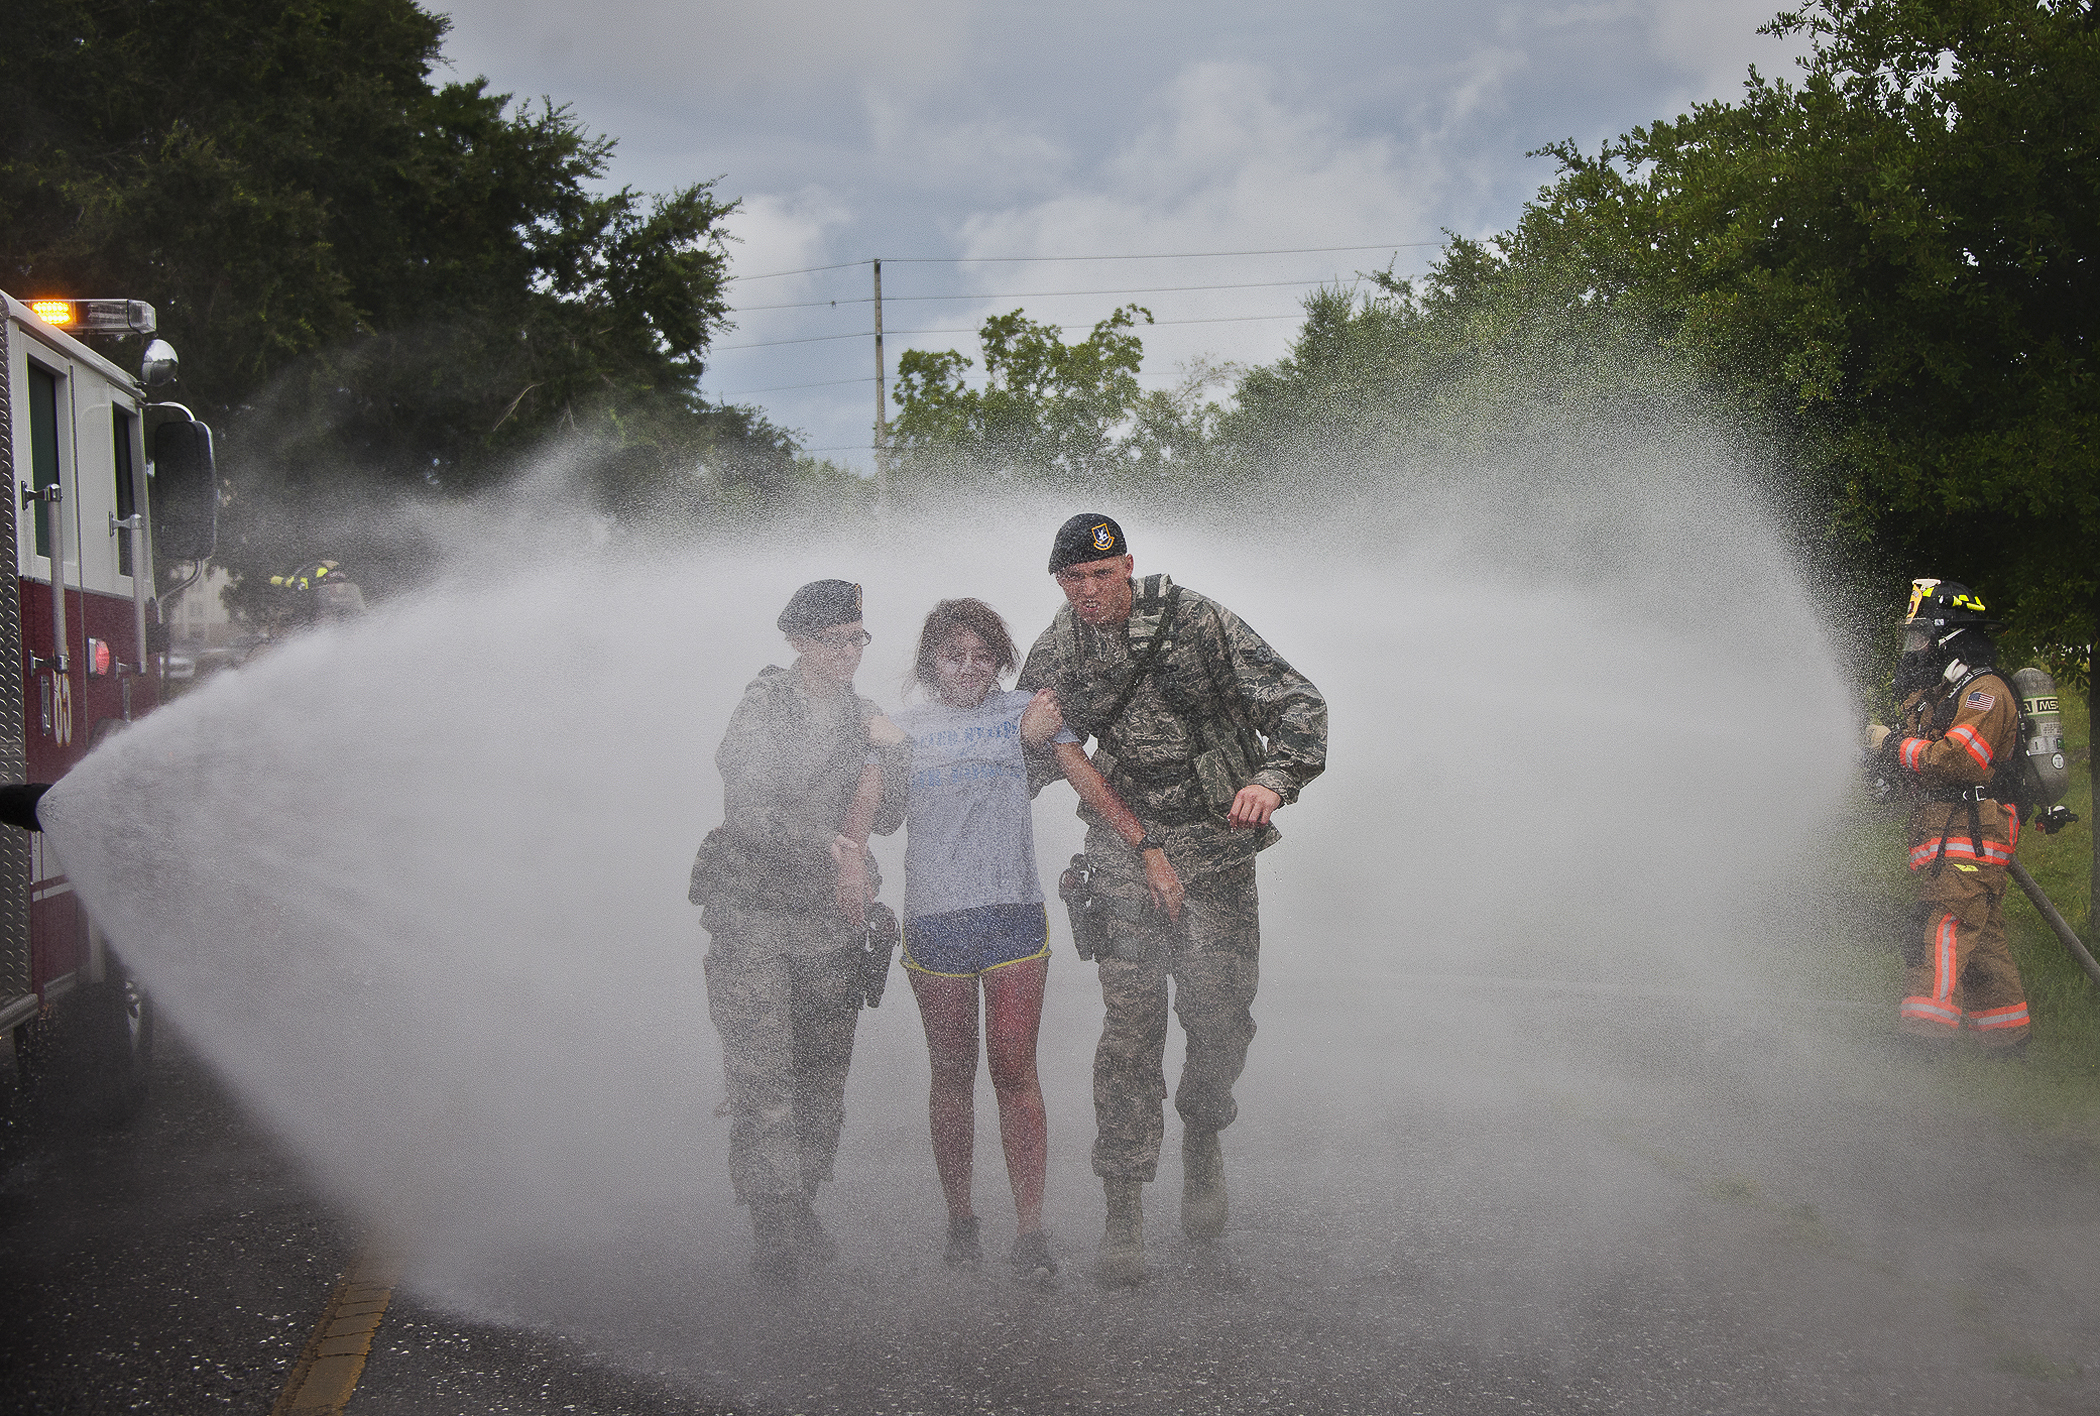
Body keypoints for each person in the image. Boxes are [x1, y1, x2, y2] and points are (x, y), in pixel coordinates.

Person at [1016, 514, 1327, 1285]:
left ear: (1127, 567)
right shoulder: (1058, 647)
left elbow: (1298, 704)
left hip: (1217, 846)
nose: (1088, 592)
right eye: (1073, 580)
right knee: (1130, 1028)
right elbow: (1022, 760)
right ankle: (1123, 1206)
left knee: (1221, 1015)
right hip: (1123, 849)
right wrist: (1026, 734)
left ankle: (1203, 1128)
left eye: (1101, 575)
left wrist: (1271, 780)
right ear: (1058, 582)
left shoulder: (1195, 619)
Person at [883, 599, 1174, 1284]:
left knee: (1015, 1072)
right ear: (931, 661)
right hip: (936, 920)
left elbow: (1086, 779)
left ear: (1000, 662)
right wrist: (849, 845)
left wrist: (1147, 847)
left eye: (983, 656)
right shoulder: (902, 727)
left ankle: (1031, 1230)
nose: (968, 669)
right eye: (954, 655)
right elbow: (878, 813)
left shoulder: (1026, 712)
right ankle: (961, 1220)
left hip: (1012, 912)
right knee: (952, 1074)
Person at [690, 579, 908, 1284]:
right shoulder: (766, 704)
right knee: (763, 1074)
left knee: (821, 1075)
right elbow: (747, 805)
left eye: (857, 638)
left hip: (827, 920)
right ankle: (774, 1223)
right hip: (753, 912)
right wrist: (821, 842)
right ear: (797, 642)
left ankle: (801, 1197)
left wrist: (895, 748)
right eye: (832, 640)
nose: (848, 652)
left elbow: (890, 815)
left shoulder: (862, 714)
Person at [1866, 578, 2031, 1055]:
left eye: (1921, 636)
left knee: (1939, 927)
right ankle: (2008, 1040)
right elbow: (1916, 745)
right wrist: (1883, 750)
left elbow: (1960, 758)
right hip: (1954, 833)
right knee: (1983, 939)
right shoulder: (1945, 692)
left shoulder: (1986, 692)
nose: (1914, 647)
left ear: (1949, 636)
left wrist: (1893, 746)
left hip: (1972, 834)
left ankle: (1923, 1040)